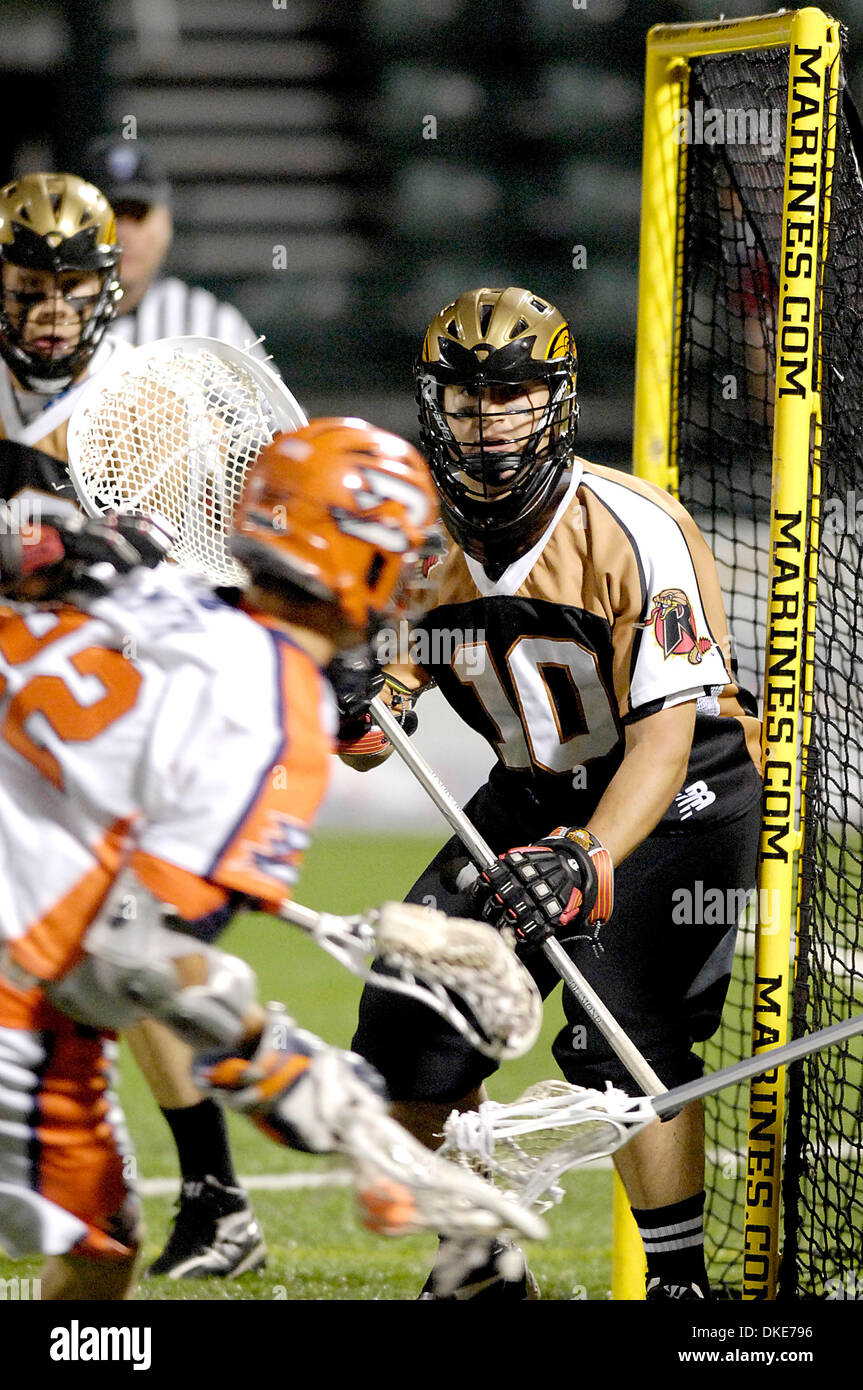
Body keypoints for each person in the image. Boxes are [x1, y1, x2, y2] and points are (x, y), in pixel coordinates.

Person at [345, 286, 764, 1301]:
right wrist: (343, 700)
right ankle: (483, 1259)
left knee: (612, 1018)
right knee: (405, 1027)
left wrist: (586, 858)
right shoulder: (413, 548)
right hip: (528, 790)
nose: (491, 417)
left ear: (557, 401)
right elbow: (369, 739)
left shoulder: (630, 525)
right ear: (433, 407)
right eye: (468, 396)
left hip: (677, 789)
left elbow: (665, 736)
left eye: (516, 393)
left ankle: (679, 1289)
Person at [0, 419, 451, 1300]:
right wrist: (278, 1063)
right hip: (24, 978)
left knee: (101, 1240)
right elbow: (130, 959)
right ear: (359, 561)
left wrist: (57, 546)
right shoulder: (277, 708)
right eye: (399, 552)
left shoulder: (142, 592)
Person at [75, 133, 281, 1275]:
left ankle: (213, 1187)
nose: (129, 229)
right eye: (110, 210)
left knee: (126, 931)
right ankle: (210, 1191)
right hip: (70, 663)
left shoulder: (205, 326)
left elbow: (255, 499)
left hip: (178, 668)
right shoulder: (40, 341)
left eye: (142, 209)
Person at [78, 136, 269, 359]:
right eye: (110, 215)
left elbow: (267, 394)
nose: (123, 234)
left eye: (138, 215)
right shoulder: (47, 318)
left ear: (166, 223)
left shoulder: (210, 324)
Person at [0, 171, 128, 493]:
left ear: (104, 286)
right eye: (31, 284)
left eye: (72, 286)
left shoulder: (151, 403)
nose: (54, 309)